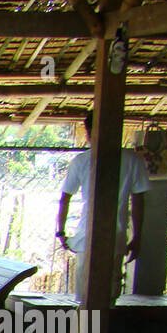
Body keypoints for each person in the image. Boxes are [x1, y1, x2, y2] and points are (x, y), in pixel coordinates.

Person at [56, 109, 149, 305]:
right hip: (116, 238)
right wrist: (137, 236)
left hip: (85, 239)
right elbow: (138, 201)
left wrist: (61, 232)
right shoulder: (133, 160)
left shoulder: (81, 161)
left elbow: (65, 199)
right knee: (108, 297)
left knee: (85, 298)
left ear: (88, 132)